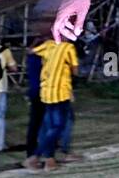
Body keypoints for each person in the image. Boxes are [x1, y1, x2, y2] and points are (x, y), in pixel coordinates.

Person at [25, 36, 79, 171]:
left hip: (46, 93)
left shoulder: (48, 46)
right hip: (61, 93)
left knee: (48, 127)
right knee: (57, 127)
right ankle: (36, 156)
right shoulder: (68, 48)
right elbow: (75, 70)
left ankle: (49, 160)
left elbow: (32, 52)